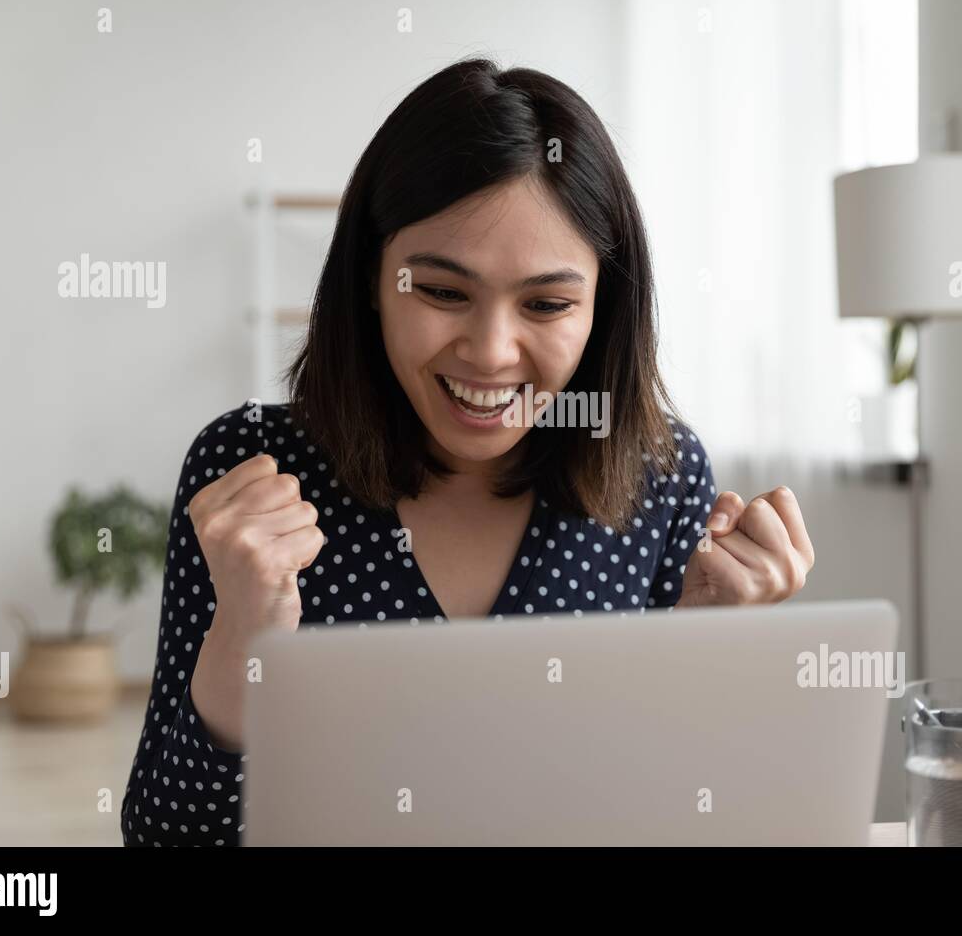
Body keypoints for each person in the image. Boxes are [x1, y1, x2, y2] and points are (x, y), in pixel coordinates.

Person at [121, 57, 815, 847]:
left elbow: (684, 815)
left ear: (603, 310)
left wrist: (712, 641)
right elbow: (165, 838)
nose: (490, 354)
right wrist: (244, 632)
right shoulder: (247, 466)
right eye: (444, 292)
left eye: (547, 304)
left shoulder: (658, 475)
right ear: (371, 281)